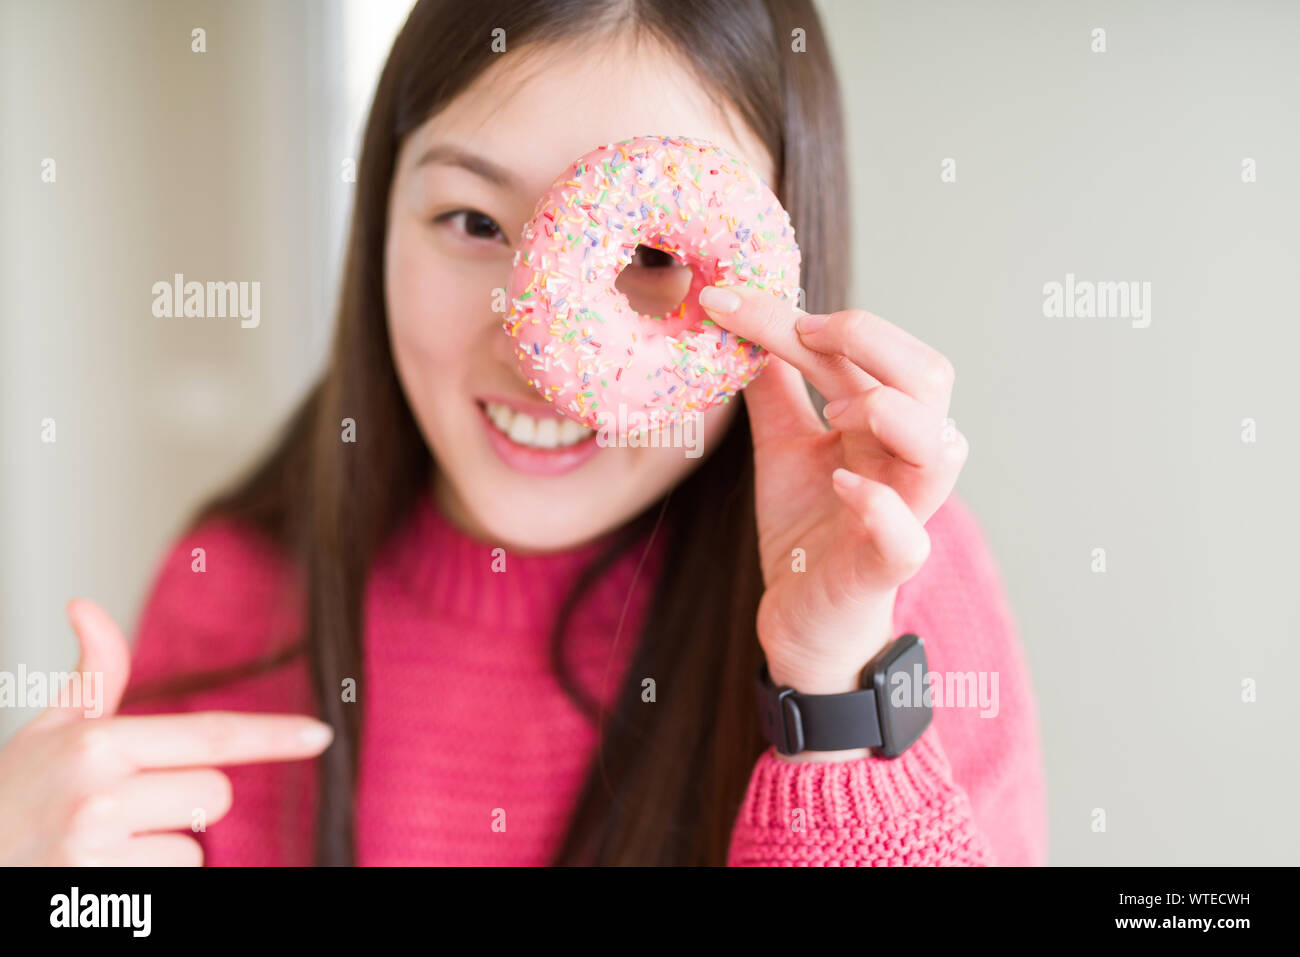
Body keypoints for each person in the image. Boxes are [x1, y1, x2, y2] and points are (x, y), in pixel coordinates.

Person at [0, 0, 1047, 866]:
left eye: (647, 254)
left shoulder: (889, 587)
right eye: (473, 223)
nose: (533, 344)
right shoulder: (233, 592)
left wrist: (828, 689)